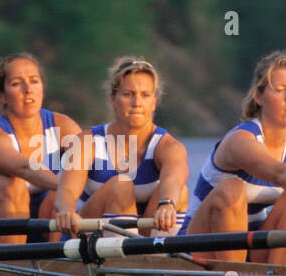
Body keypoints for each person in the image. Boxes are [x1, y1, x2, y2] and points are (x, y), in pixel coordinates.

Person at [181, 51, 286, 263]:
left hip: (254, 247)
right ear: (258, 97)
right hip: (197, 245)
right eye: (280, 89)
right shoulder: (239, 141)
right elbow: (280, 173)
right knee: (233, 188)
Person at [53, 56, 189, 237]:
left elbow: (173, 177)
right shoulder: (87, 142)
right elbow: (67, 191)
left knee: (179, 192)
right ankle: (131, 259)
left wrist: (168, 203)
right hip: (86, 237)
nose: (137, 103)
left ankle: (159, 258)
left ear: (154, 101)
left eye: (145, 95)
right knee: (121, 185)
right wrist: (66, 210)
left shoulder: (168, 146)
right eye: (128, 94)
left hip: (143, 235)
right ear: (113, 99)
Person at [0, 52, 82, 243]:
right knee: (12, 185)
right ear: (2, 95)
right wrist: (69, 190)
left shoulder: (63, 126)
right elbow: (25, 169)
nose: (28, 89)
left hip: (39, 226)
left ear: (42, 88)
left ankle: (56, 265)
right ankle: (15, 266)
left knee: (58, 195)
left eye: (34, 81)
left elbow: (89, 167)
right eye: (16, 83)